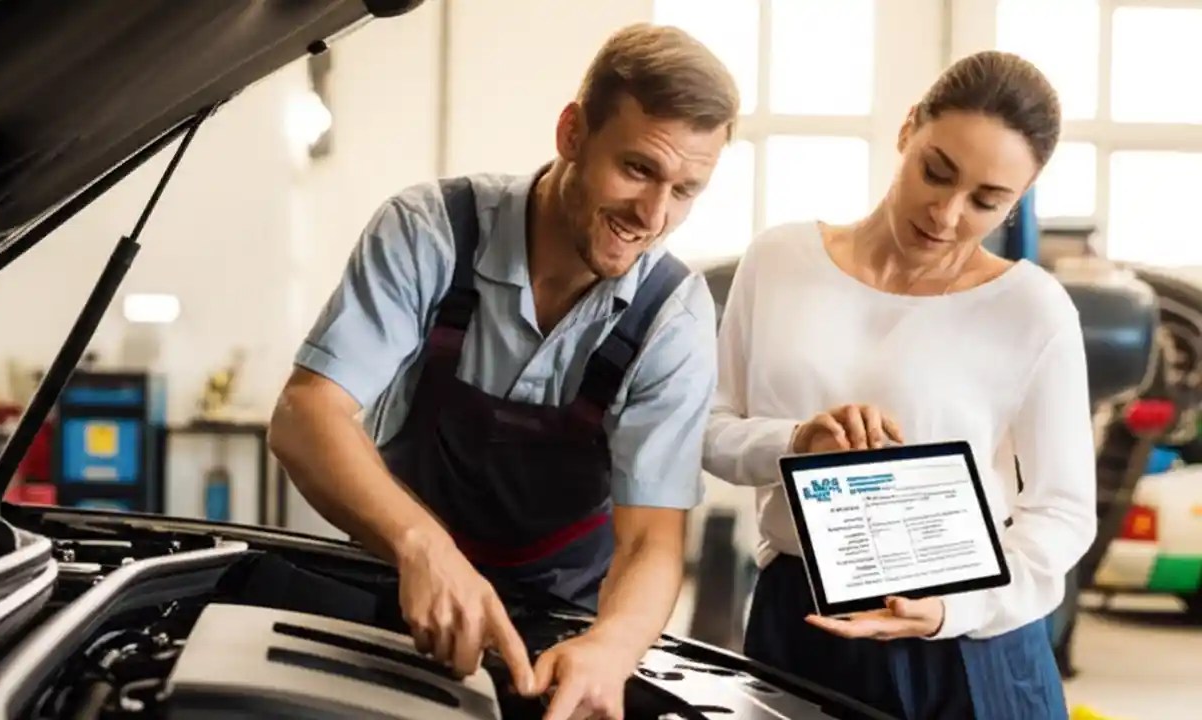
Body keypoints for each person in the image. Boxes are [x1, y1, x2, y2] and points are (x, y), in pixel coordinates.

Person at [268, 23, 737, 720]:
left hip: (561, 621)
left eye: (685, 190)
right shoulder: (431, 231)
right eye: (638, 169)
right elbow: (306, 415)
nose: (653, 215)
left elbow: (651, 538)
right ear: (572, 133)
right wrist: (421, 547)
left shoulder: (674, 315)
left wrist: (612, 647)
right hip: (396, 580)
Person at [704, 51, 1095, 719]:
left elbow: (1063, 512)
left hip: (965, 637)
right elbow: (710, 431)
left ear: (1019, 198)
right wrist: (796, 440)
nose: (946, 213)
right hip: (801, 620)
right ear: (908, 128)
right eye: (935, 172)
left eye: (986, 201)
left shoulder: (1032, 309)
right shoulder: (779, 260)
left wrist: (954, 608)